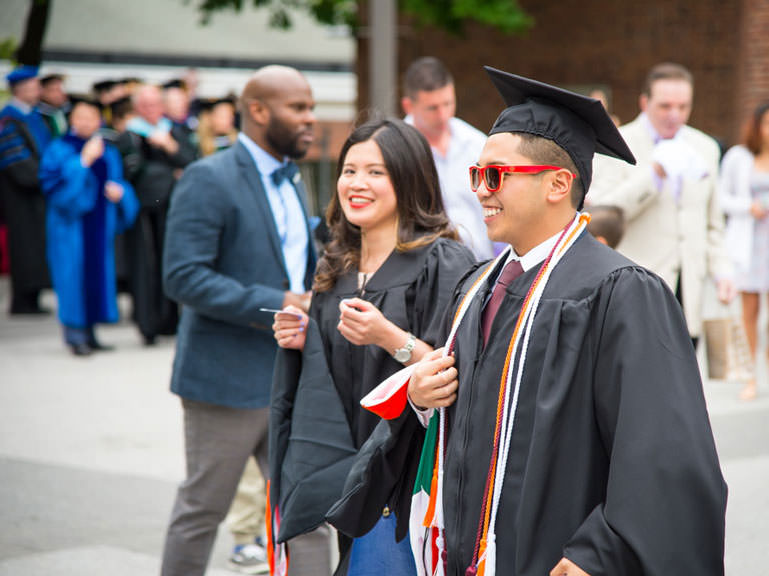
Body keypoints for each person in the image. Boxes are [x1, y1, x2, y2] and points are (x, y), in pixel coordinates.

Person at [330, 67, 727, 576]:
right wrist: (423, 400)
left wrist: (597, 555)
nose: (479, 191)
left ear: (558, 184)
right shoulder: (476, 287)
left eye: (495, 175)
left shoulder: (621, 292)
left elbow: (664, 454)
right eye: (476, 174)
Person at [270, 117, 475, 575]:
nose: (356, 184)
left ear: (408, 177)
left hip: (407, 474)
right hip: (347, 463)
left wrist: (390, 338)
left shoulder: (442, 261)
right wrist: (307, 342)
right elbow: (338, 369)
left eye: (375, 172)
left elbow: (460, 372)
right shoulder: (336, 264)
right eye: (349, 170)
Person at [160, 65, 324, 576]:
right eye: (298, 108)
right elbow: (182, 277)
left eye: (311, 108)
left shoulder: (294, 175)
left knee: (308, 514)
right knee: (202, 511)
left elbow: (299, 261)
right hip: (223, 381)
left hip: (292, 375)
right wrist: (282, 302)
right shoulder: (210, 178)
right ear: (258, 111)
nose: (310, 120)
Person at [589, 62, 734, 347]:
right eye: (665, 106)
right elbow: (601, 211)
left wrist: (723, 270)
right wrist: (653, 175)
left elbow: (712, 222)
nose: (674, 115)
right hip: (637, 286)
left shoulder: (703, 147)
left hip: (689, 290)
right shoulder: (617, 142)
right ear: (645, 102)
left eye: (683, 107)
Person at [38, 98, 139, 355]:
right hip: (69, 227)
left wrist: (121, 194)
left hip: (99, 225)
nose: (85, 122)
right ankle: (74, 335)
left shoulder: (107, 150)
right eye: (80, 116)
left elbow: (120, 184)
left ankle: (91, 333)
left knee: (97, 277)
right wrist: (82, 162)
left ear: (99, 121)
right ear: (72, 120)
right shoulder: (58, 149)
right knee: (72, 278)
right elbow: (54, 191)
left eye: (92, 117)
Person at [118, 84, 197, 345]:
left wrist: (170, 147)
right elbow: (133, 172)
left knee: (172, 263)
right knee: (145, 266)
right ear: (138, 108)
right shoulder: (130, 135)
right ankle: (148, 325)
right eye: (145, 105)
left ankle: (169, 322)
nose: (151, 110)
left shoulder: (174, 131)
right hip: (145, 212)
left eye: (155, 104)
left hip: (174, 210)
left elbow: (193, 165)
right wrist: (171, 175)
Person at [402, 56, 494, 260]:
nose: (443, 115)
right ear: (409, 106)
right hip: (421, 270)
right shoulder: (396, 151)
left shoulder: (477, 144)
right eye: (432, 108)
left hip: (479, 266)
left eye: (448, 104)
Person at [719, 101, 769, 401]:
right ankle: (750, 376)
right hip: (749, 242)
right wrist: (747, 207)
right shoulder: (739, 157)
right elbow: (722, 197)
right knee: (749, 312)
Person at [0, 65, 52, 314]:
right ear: (19, 90)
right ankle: (22, 299)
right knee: (23, 244)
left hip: (36, 191)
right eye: (33, 86)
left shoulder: (33, 115)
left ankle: (32, 296)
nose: (39, 90)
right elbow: (15, 159)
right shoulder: (9, 119)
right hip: (19, 194)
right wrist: (41, 178)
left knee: (35, 244)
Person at [38, 73, 69, 138]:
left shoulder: (68, 111)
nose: (59, 94)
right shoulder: (38, 115)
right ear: (42, 92)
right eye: (53, 90)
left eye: (61, 90)